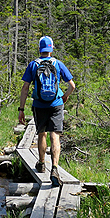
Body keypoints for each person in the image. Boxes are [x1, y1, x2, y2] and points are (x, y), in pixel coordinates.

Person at [17, 36, 76, 187]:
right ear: (52, 49)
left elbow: (25, 88)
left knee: (41, 134)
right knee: (55, 136)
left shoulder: (33, 65)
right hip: (56, 104)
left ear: (40, 49)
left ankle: (42, 163)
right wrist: (65, 97)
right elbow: (72, 86)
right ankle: (54, 169)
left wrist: (21, 109)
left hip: (39, 105)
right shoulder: (58, 64)